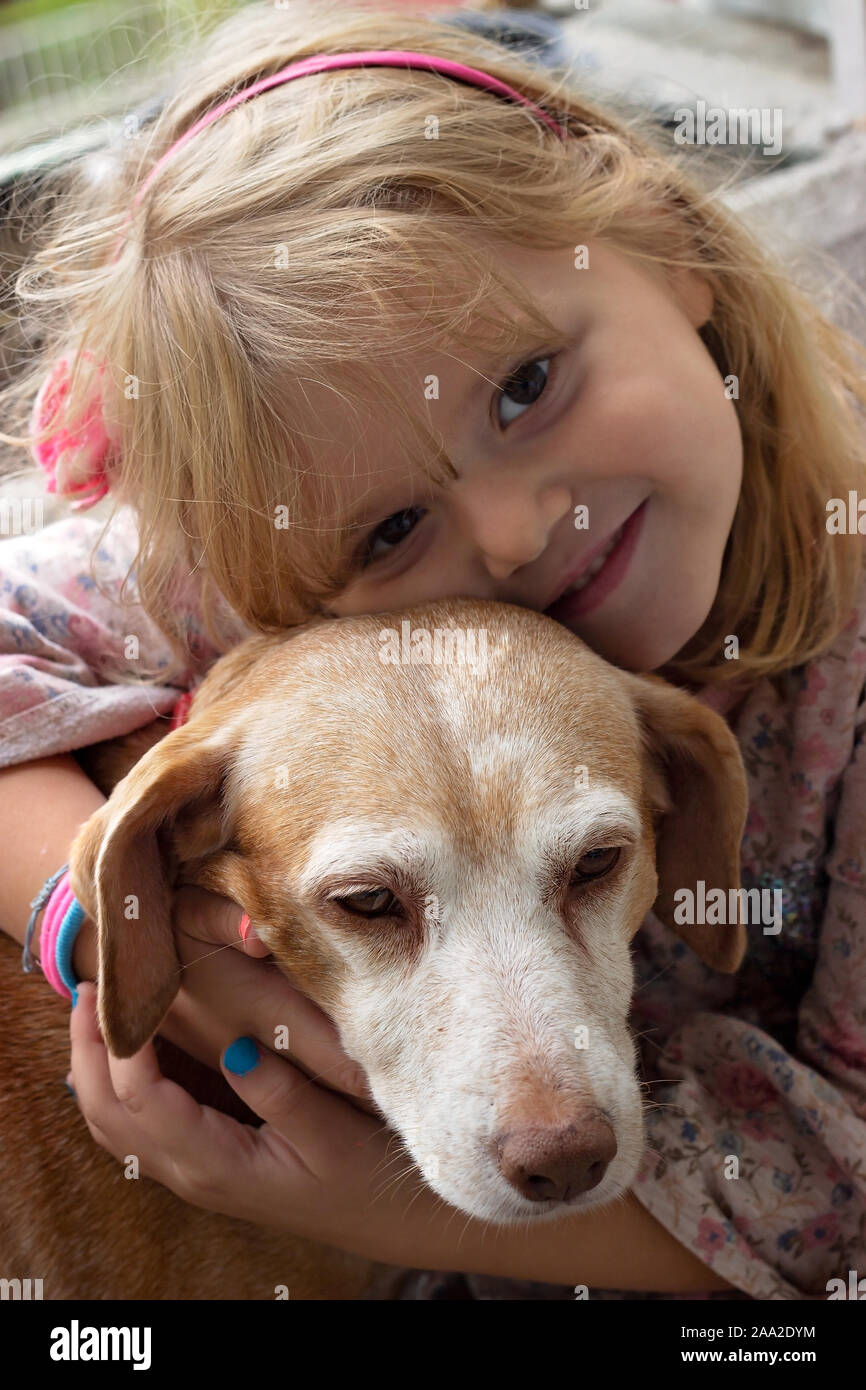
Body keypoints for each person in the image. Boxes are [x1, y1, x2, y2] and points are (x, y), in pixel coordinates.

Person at [1, 0, 864, 1301]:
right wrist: (101, 929)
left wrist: (393, 1212)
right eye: (395, 523)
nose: (515, 533)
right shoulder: (265, 575)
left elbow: (843, 1188)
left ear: (668, 242)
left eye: (525, 384)